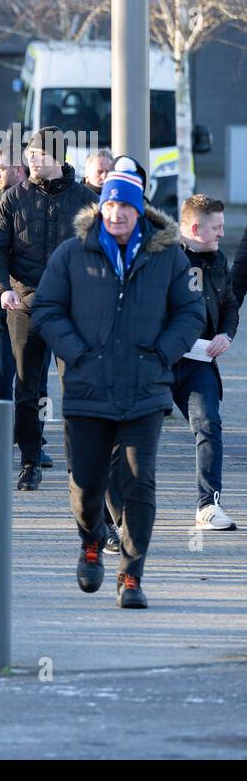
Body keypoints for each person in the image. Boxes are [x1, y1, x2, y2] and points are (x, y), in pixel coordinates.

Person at [32, 170, 203, 609]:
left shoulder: (168, 258)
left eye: (125, 206)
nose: (116, 213)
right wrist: (78, 354)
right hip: (88, 389)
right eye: (109, 205)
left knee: (139, 482)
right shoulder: (72, 254)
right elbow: (48, 308)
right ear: (100, 207)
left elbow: (190, 312)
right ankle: (91, 543)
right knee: (86, 483)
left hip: (145, 390)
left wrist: (162, 354)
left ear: (139, 210)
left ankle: (131, 577)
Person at [0, 127, 96, 489]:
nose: (32, 160)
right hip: (23, 303)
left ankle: (79, 465)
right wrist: (3, 289)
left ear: (59, 158)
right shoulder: (13, 197)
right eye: (30, 154)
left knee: (76, 387)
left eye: (40, 154)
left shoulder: (84, 199)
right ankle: (30, 460)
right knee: (26, 387)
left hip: (73, 310)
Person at [172, 195, 237, 531]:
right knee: (136, 433)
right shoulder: (164, 259)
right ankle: (118, 512)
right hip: (159, 363)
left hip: (199, 365)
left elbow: (229, 305)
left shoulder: (218, 260)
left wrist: (226, 334)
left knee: (208, 424)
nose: (222, 234)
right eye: (216, 228)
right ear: (195, 228)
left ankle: (207, 506)